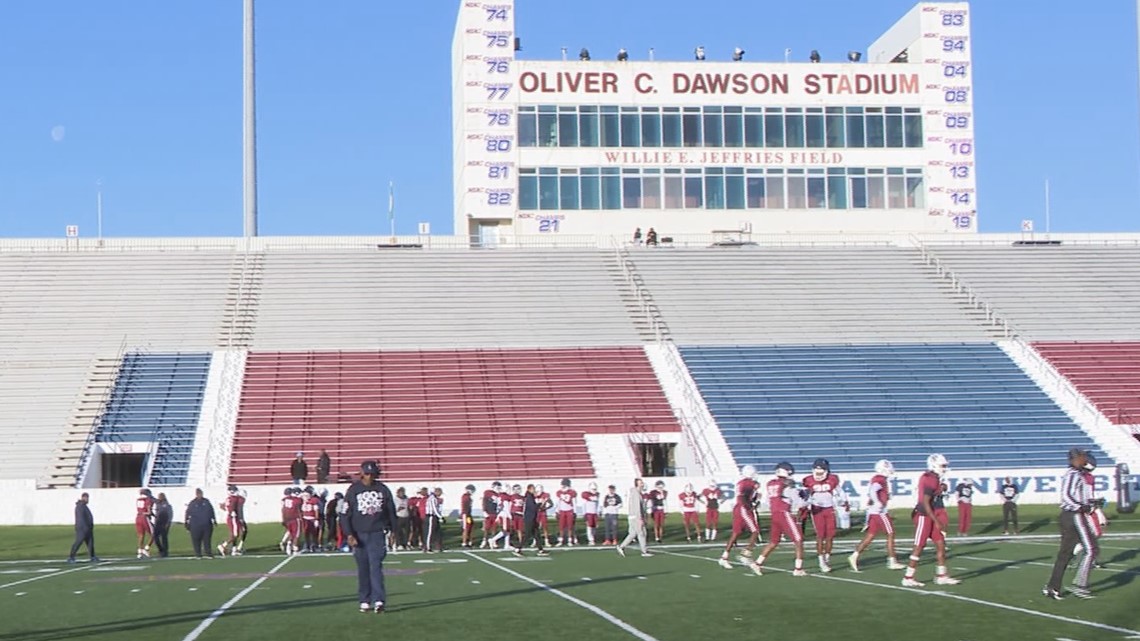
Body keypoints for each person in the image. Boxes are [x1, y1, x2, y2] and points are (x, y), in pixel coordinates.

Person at [339, 459, 397, 614]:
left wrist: (394, 531)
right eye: (367, 474)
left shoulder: (383, 489)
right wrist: (349, 534)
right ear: (362, 474)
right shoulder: (353, 490)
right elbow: (345, 514)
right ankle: (365, 599)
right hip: (359, 534)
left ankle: (379, 600)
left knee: (376, 566)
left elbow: (391, 512)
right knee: (363, 568)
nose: (369, 477)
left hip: (377, 533)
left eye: (372, 474)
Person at [1044, 448, 1099, 600]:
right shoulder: (1073, 474)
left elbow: (1075, 496)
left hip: (1070, 515)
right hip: (1074, 516)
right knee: (1091, 549)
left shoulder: (1076, 474)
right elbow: (1067, 496)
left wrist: (1091, 503)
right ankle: (1080, 585)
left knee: (1066, 553)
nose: (1085, 459)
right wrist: (1081, 507)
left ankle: (1052, 587)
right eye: (1083, 457)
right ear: (1076, 458)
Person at [902, 454, 960, 587]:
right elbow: (926, 502)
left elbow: (935, 495)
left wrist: (942, 489)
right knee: (919, 546)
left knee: (940, 544)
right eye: (943, 466)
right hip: (924, 515)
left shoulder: (934, 478)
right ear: (934, 465)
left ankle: (941, 575)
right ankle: (908, 577)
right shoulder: (930, 478)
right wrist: (937, 520)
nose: (945, 468)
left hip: (931, 514)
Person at [750, 462, 807, 576]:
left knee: (774, 541)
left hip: (774, 514)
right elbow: (799, 503)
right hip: (783, 513)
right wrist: (808, 499)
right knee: (799, 540)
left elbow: (768, 500)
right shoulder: (786, 484)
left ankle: (757, 563)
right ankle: (798, 568)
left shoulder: (771, 483)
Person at [850, 459, 906, 571]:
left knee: (870, 535)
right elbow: (873, 491)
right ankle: (892, 561)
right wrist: (878, 502)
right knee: (890, 534)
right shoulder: (880, 479)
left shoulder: (879, 479)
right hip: (880, 512)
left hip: (873, 511)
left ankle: (854, 555)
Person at [717, 465, 761, 569]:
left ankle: (724, 557)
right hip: (743, 508)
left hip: (739, 507)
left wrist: (754, 500)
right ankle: (746, 554)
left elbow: (746, 496)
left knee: (736, 532)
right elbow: (743, 497)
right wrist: (750, 505)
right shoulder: (749, 483)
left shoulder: (742, 482)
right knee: (755, 531)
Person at [803, 458, 840, 573]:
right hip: (816, 509)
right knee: (820, 536)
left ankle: (827, 558)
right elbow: (804, 495)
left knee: (830, 535)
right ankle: (821, 561)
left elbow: (838, 492)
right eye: (817, 469)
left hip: (829, 508)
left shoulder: (833, 479)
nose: (819, 472)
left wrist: (841, 502)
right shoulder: (808, 480)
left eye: (821, 469)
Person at [616, 478, 652, 557]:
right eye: (641, 483)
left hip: (633, 516)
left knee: (632, 534)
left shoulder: (636, 493)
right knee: (642, 533)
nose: (642, 484)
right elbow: (637, 507)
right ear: (637, 484)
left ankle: (621, 547)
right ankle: (644, 551)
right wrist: (640, 518)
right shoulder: (636, 493)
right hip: (636, 517)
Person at [514, 484, 550, 557]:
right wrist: (541, 503)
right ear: (529, 489)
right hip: (529, 519)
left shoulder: (530, 497)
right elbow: (533, 508)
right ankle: (518, 548)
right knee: (527, 534)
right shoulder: (529, 497)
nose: (534, 491)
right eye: (533, 489)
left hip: (532, 518)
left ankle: (540, 550)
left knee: (537, 535)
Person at [185, 488, 217, 559]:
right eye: (198, 494)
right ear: (196, 494)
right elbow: (187, 514)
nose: (200, 495)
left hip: (207, 524)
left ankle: (208, 552)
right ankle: (198, 553)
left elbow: (211, 511)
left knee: (207, 539)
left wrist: (214, 520)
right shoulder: (192, 503)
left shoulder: (206, 502)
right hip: (195, 525)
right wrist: (187, 524)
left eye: (201, 493)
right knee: (196, 539)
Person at [68, 492, 98, 563]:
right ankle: (71, 557)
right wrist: (85, 528)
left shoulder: (84, 506)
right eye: (87, 498)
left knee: (90, 543)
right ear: (84, 498)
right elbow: (81, 519)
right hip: (82, 529)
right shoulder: (80, 506)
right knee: (78, 542)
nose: (88, 500)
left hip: (87, 529)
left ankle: (93, 556)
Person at [217, 485, 246, 557]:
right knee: (235, 534)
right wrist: (232, 511)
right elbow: (233, 507)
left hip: (230, 517)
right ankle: (223, 545)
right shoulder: (234, 499)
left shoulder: (229, 498)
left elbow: (223, 506)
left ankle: (234, 550)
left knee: (235, 534)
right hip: (233, 518)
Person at [555, 478, 578, 546]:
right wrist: (557, 510)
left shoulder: (572, 492)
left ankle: (570, 540)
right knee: (561, 526)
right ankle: (561, 540)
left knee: (570, 526)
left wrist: (575, 511)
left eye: (565, 484)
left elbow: (574, 502)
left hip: (569, 510)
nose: (563, 486)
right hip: (562, 510)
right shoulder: (559, 492)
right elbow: (558, 502)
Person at [480, 482, 502, 549]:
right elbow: (484, 501)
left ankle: (493, 540)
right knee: (487, 528)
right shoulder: (488, 492)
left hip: (495, 513)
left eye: (499, 487)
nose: (498, 489)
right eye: (497, 487)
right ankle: (484, 541)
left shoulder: (499, 494)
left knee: (494, 528)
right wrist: (484, 511)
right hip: (489, 513)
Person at [135, 488, 155, 559]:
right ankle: (146, 548)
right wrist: (153, 514)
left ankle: (140, 550)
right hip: (145, 518)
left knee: (141, 535)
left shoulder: (138, 500)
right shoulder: (148, 500)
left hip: (138, 517)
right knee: (154, 534)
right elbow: (149, 511)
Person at [423, 487, 444, 553]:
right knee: (430, 533)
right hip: (431, 517)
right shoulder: (432, 498)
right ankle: (427, 547)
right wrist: (440, 517)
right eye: (440, 493)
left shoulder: (434, 498)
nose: (440, 494)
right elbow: (434, 509)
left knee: (437, 532)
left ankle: (437, 546)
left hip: (434, 517)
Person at [153, 493, 173, 558]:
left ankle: (165, 552)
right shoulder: (157, 503)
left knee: (164, 538)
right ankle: (161, 549)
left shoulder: (166, 505)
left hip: (164, 523)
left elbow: (170, 514)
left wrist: (168, 523)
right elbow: (152, 499)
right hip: (158, 522)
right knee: (155, 537)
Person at [460, 484, 476, 548]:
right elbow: (465, 507)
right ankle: (464, 542)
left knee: (470, 527)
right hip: (465, 515)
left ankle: (469, 541)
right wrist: (465, 515)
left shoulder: (468, 496)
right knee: (466, 528)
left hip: (468, 515)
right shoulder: (465, 497)